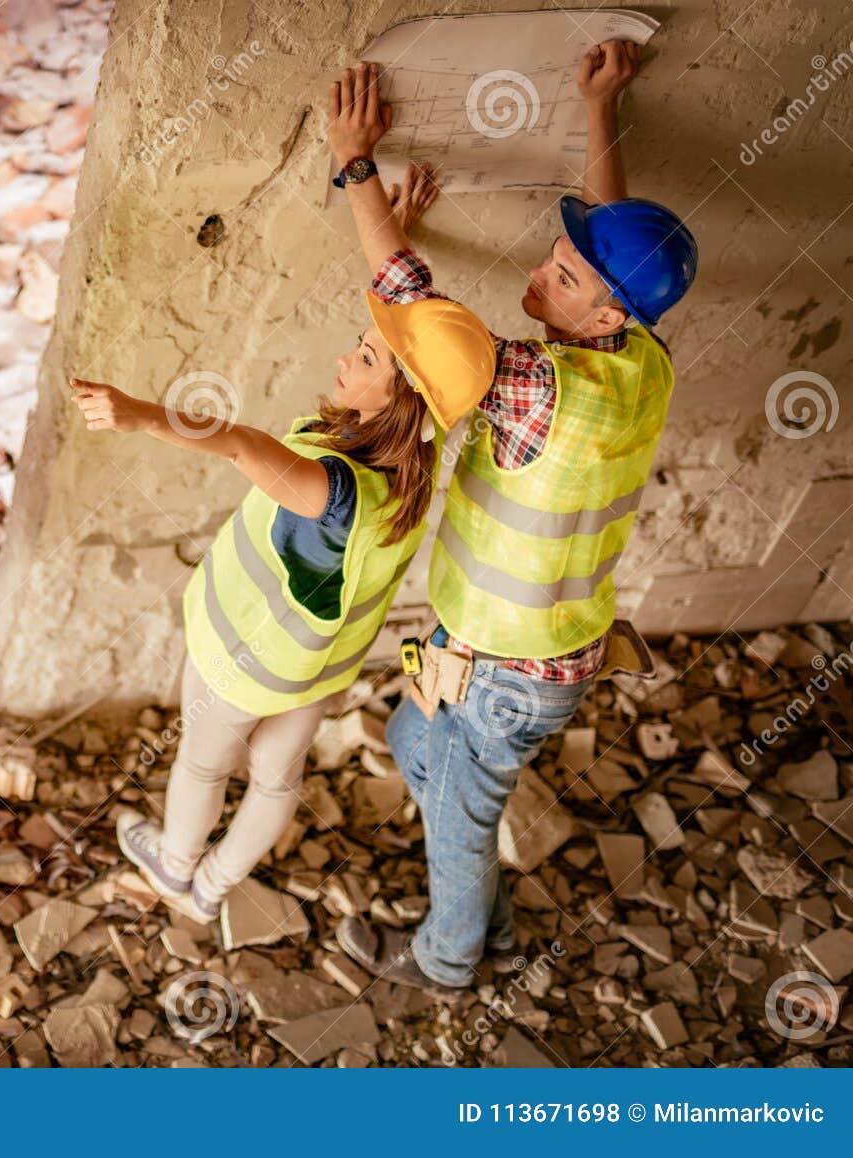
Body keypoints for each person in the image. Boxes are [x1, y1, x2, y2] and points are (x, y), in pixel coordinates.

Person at [326, 48, 698, 994]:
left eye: (565, 280)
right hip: (518, 649)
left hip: (505, 671)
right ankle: (478, 901)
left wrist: (353, 166)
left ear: (606, 315)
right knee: (416, 748)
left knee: (455, 825)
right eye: (554, 258)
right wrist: (599, 106)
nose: (541, 274)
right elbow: (611, 243)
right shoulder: (639, 357)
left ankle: (451, 956)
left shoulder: (545, 389)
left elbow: (418, 308)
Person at [73, 170, 495, 924]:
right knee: (274, 778)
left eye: (365, 360)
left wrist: (138, 414)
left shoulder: (328, 488)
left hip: (244, 660)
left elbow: (238, 444)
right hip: (317, 671)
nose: (345, 358)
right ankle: (214, 888)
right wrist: (393, 228)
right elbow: (416, 358)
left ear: (396, 402)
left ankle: (173, 871)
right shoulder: (412, 469)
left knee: (203, 762)